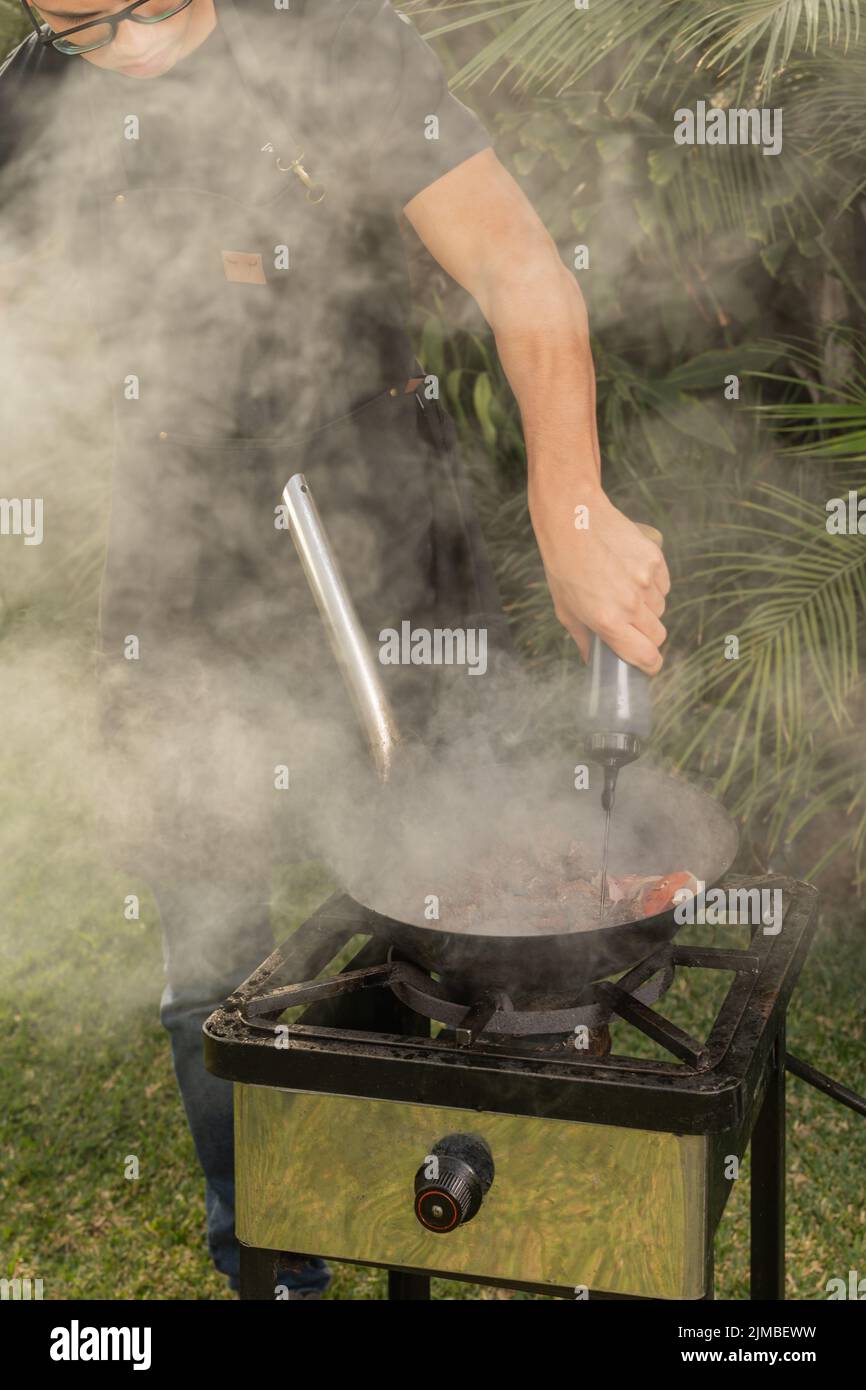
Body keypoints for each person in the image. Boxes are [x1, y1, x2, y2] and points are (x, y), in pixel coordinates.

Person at [0, 0, 670, 1297]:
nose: (134, 43)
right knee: (211, 973)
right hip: (180, 558)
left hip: (389, 534)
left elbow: (521, 269)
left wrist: (574, 505)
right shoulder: (21, 111)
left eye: (157, 4)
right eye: (87, 24)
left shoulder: (334, 40)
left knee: (444, 924)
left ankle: (476, 1239)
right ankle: (273, 1268)